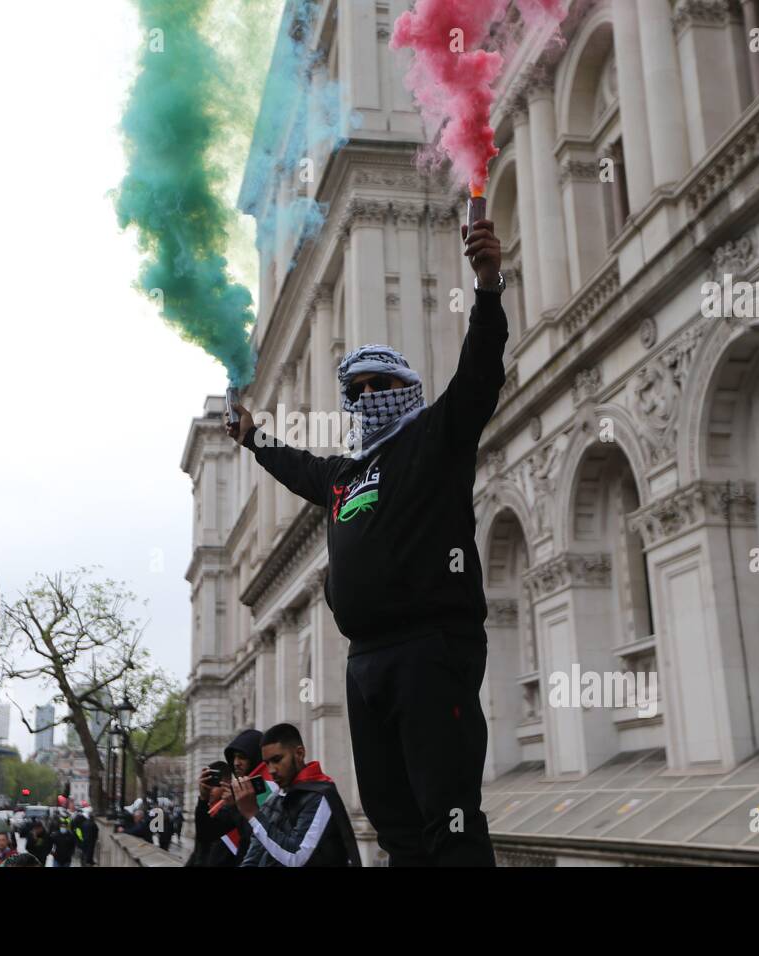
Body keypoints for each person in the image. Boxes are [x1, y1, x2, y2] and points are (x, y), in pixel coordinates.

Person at [226, 217, 505, 866]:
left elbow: (479, 372)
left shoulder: (437, 436)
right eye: (360, 389)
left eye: (384, 385)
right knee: (392, 818)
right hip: (366, 663)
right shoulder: (343, 476)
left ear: (409, 390)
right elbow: (296, 465)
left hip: (431, 649)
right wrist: (252, 436)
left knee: (449, 816)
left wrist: (488, 286)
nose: (372, 395)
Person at [234, 723, 359, 868]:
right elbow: (254, 856)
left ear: (299, 753)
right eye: (267, 763)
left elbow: (296, 857)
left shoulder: (319, 796)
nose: (271, 770)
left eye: (277, 760)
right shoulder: (274, 799)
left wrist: (253, 814)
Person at [191, 729, 261, 866]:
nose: (236, 763)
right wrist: (203, 800)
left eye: (242, 757)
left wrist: (238, 807)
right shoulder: (233, 797)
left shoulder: (271, 792)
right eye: (234, 758)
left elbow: (257, 839)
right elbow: (206, 835)